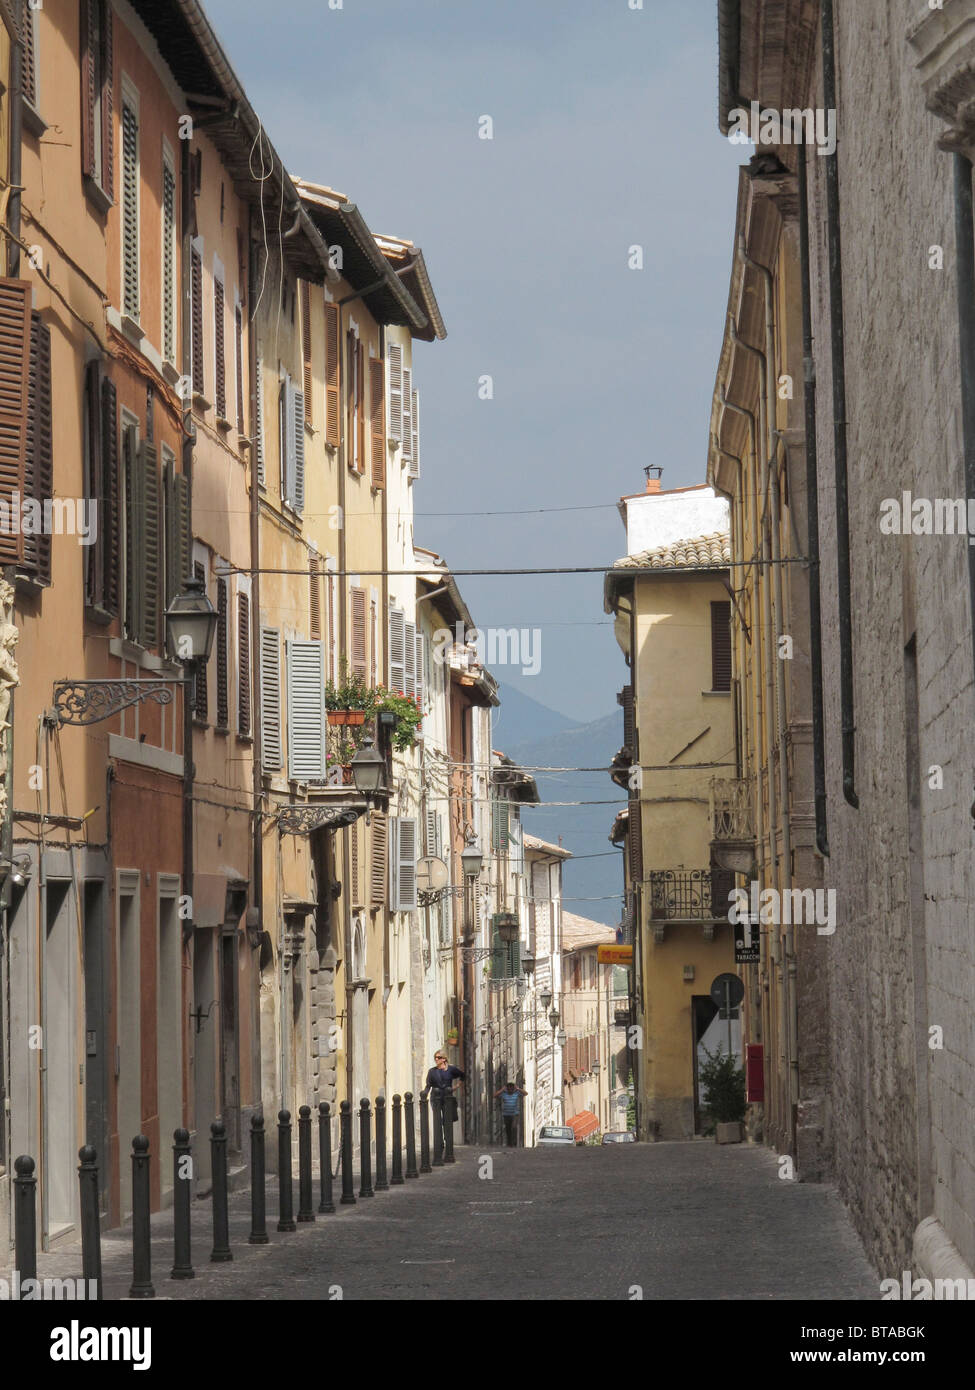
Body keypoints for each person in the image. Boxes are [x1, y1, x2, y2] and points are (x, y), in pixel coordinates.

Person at [422, 1050, 465, 1152]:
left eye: (438, 1057)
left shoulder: (451, 1069)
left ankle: (448, 1141)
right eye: (435, 1057)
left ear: (444, 1059)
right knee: (438, 1120)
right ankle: (439, 1142)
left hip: (447, 1099)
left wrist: (456, 1086)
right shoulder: (432, 1071)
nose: (436, 1059)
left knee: (447, 1120)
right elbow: (428, 1086)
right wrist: (424, 1096)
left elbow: (463, 1076)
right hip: (435, 1099)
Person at [495, 1081, 527, 1148]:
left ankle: (514, 1142)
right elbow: (495, 1095)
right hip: (506, 1114)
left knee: (514, 1127)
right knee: (508, 1129)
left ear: (513, 1088)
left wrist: (518, 1089)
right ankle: (509, 1143)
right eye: (509, 1089)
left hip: (514, 1114)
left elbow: (525, 1093)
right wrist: (502, 1090)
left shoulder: (517, 1093)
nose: (510, 1090)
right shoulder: (504, 1094)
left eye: (511, 1089)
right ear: (507, 1089)